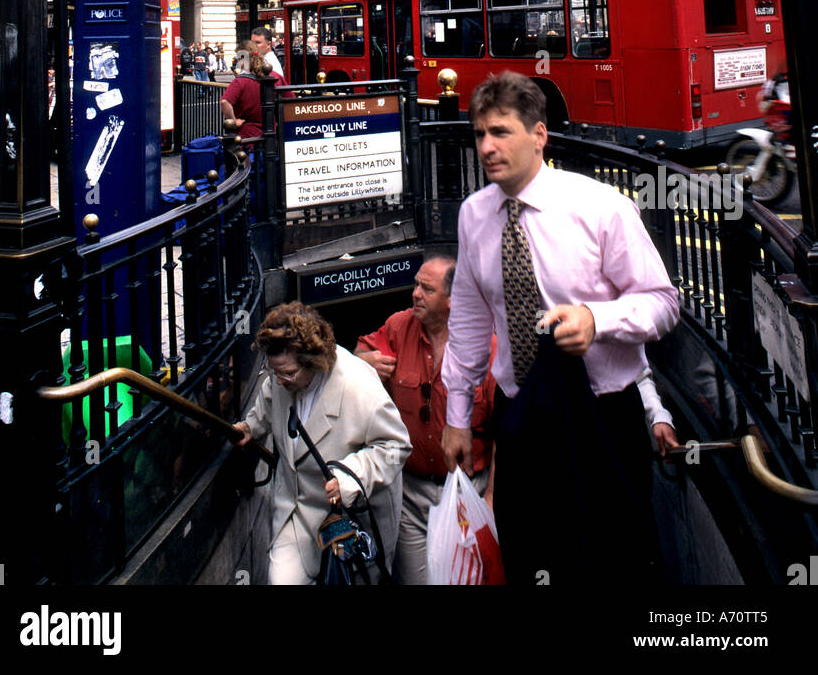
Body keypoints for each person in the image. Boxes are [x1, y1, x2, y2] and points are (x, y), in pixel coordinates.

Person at [441, 70, 679, 585]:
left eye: (500, 132)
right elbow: (467, 325)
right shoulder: (473, 216)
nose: (486, 146)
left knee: (616, 561)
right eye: (479, 134)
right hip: (523, 420)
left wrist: (599, 320)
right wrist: (457, 416)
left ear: (539, 134)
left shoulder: (601, 207)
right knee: (533, 557)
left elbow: (663, 304)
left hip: (603, 413)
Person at [235, 301, 411, 585]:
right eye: (274, 371)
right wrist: (251, 427)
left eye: (287, 374)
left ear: (314, 362)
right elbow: (269, 398)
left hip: (349, 524)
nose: (279, 381)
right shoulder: (283, 377)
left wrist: (351, 478)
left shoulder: (359, 387)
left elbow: (396, 446)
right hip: (295, 514)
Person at [355, 256, 496, 585]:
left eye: (426, 289)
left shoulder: (486, 346)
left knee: (468, 578)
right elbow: (356, 357)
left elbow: (503, 429)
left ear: (452, 299)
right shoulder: (397, 327)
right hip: (411, 494)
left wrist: (490, 496)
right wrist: (365, 362)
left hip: (466, 491)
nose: (415, 293)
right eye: (416, 285)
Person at [221, 51, 288, 139]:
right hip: (271, 133)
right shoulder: (277, 77)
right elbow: (289, 100)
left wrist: (234, 121)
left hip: (246, 136)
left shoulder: (241, 81)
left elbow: (224, 102)